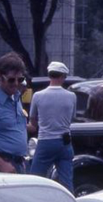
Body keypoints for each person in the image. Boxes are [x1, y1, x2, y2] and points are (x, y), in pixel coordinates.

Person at [28, 61, 76, 192]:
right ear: (63, 76)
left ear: (50, 75)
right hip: (65, 142)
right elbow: (72, 118)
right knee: (66, 181)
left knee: (35, 179)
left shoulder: (38, 96)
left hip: (45, 141)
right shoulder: (71, 96)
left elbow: (33, 120)